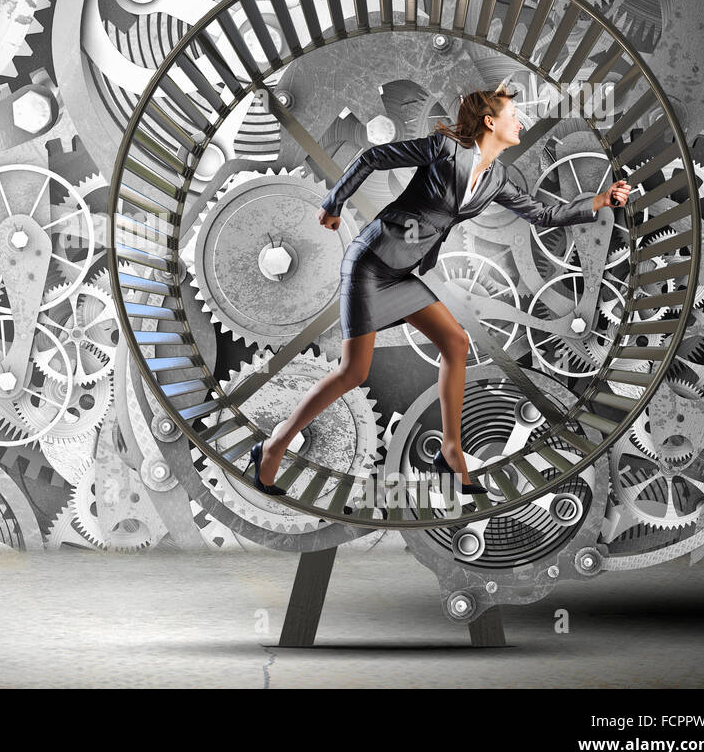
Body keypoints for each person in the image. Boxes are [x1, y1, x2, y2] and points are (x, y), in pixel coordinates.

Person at [245, 85, 631, 497]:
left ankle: (450, 453)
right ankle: (272, 447)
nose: (519, 121)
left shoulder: (496, 177)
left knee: (455, 342)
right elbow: (373, 157)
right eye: (512, 114)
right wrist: (334, 202)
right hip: (371, 263)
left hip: (403, 273)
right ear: (489, 122)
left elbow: (541, 215)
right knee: (353, 372)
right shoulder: (444, 148)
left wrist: (599, 201)